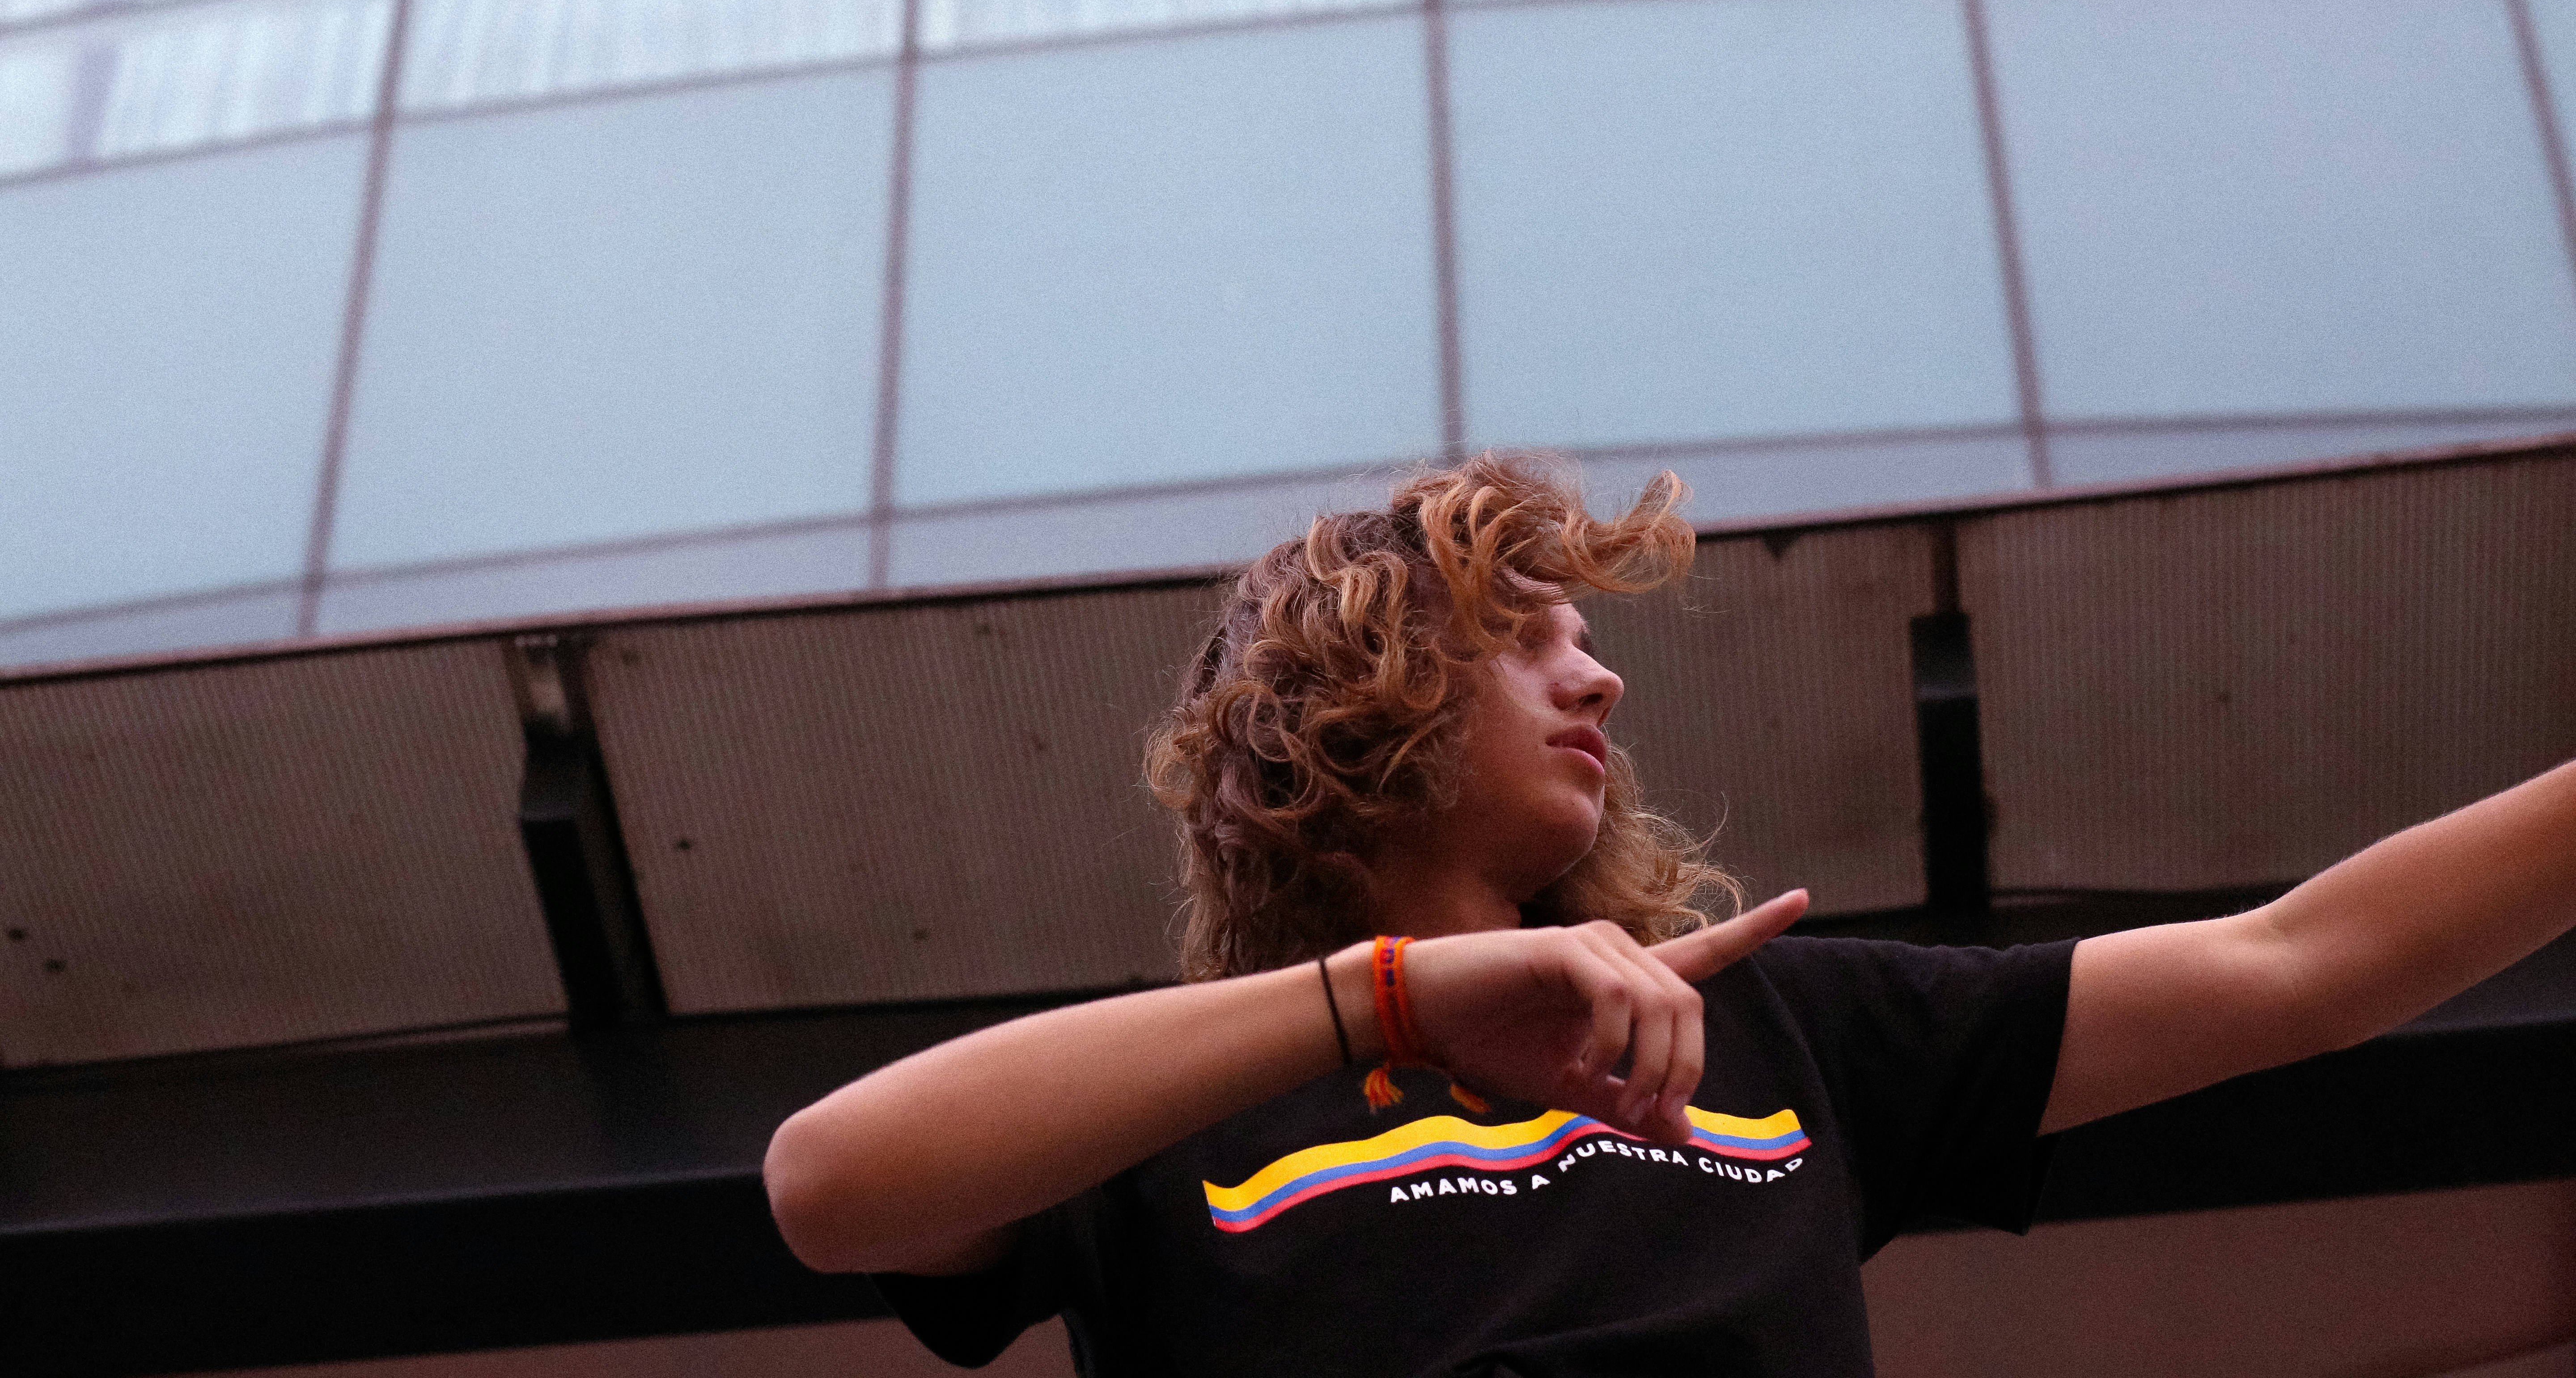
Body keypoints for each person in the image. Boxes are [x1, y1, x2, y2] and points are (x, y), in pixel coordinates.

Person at [765, 453, 2576, 1377]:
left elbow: (2309, 962)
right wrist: (1382, 1002)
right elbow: (830, 1190)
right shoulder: (1162, 1106)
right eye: (1533, 638)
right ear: (1366, 686)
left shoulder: (1780, 1033)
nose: (1603, 684)